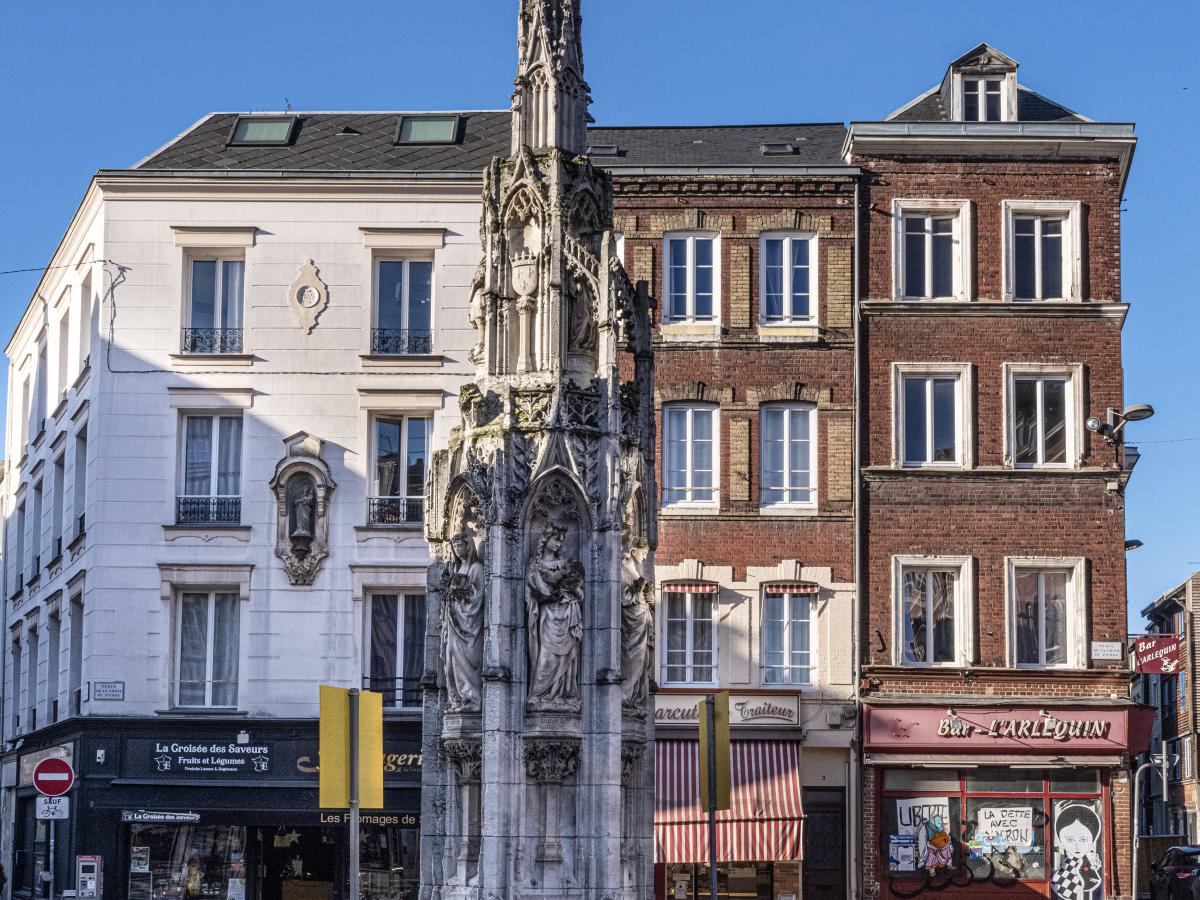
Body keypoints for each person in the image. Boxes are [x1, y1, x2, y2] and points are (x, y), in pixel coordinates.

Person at [1051, 803, 1102, 900]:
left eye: (1083, 840)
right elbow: (1059, 886)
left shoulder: (1089, 859)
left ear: (1093, 841)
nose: (1077, 846)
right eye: (1070, 840)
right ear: (1060, 841)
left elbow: (1092, 881)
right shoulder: (1067, 865)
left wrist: (1094, 866)